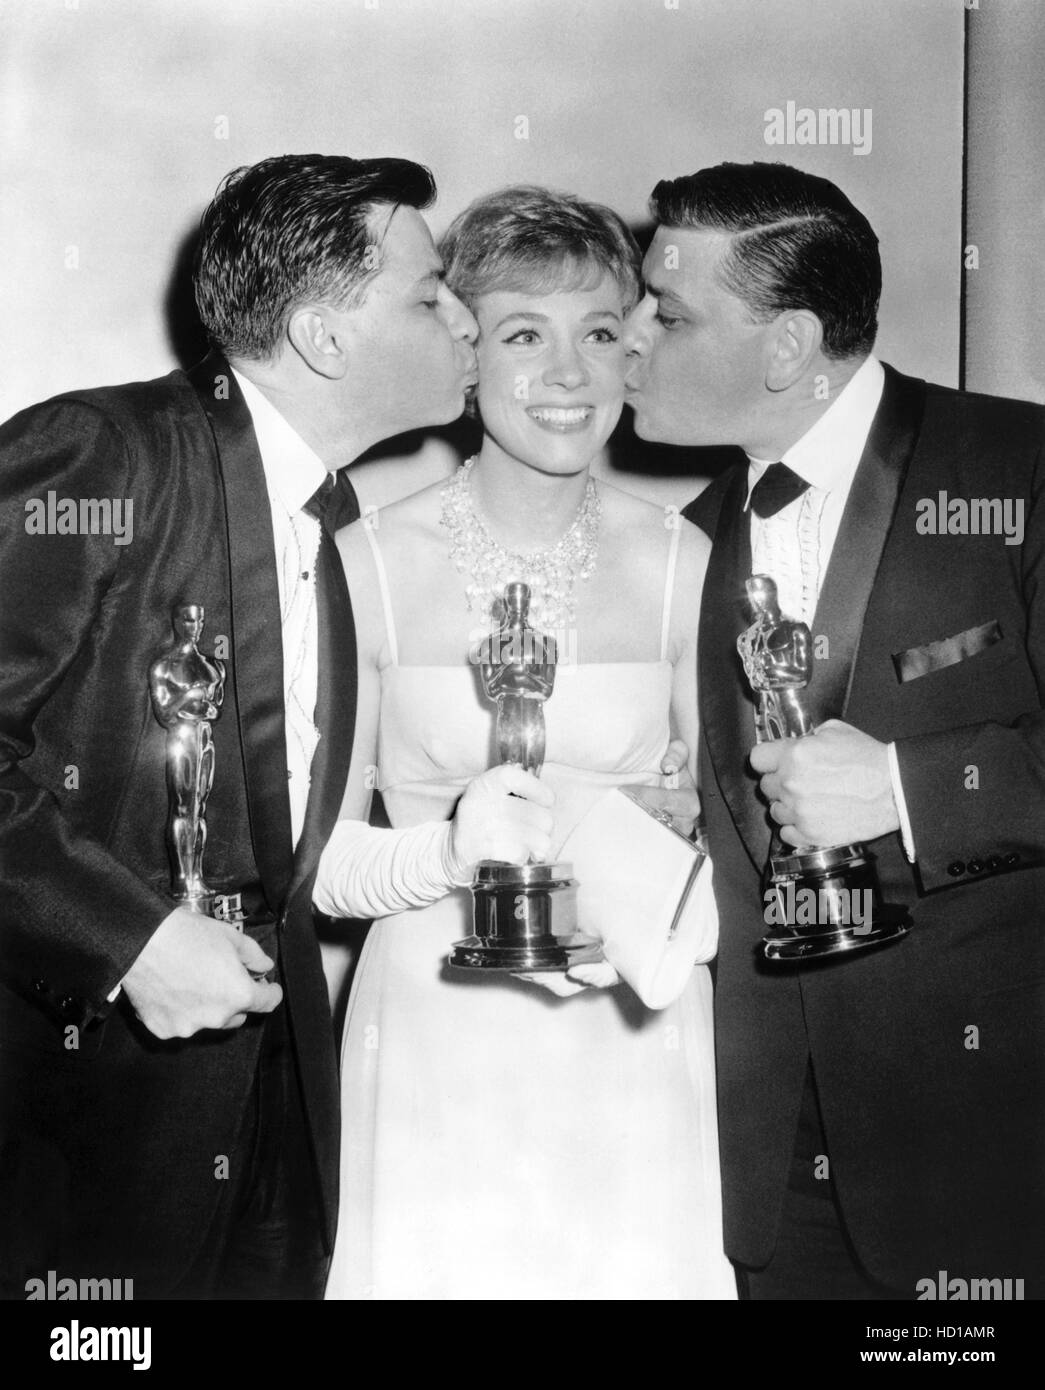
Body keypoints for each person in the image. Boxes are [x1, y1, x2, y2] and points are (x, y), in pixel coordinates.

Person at [0, 153, 549, 1299]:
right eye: (430, 292)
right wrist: (129, 942)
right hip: (70, 1115)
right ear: (324, 336)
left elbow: (289, 823)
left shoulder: (342, 516)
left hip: (274, 1100)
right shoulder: (104, 452)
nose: (468, 319)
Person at [624, 160, 1045, 1299]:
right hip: (766, 1168)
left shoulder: (1022, 467)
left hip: (992, 1155)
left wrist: (910, 787)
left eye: (665, 315)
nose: (626, 342)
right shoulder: (678, 543)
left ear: (785, 344)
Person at [318, 186, 735, 1300]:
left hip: (630, 1031)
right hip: (434, 1036)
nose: (568, 373)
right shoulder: (364, 563)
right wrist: (446, 851)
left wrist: (658, 874)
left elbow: (736, 839)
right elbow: (314, 863)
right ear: (463, 354)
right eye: (522, 334)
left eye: (599, 333)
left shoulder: (687, 562)